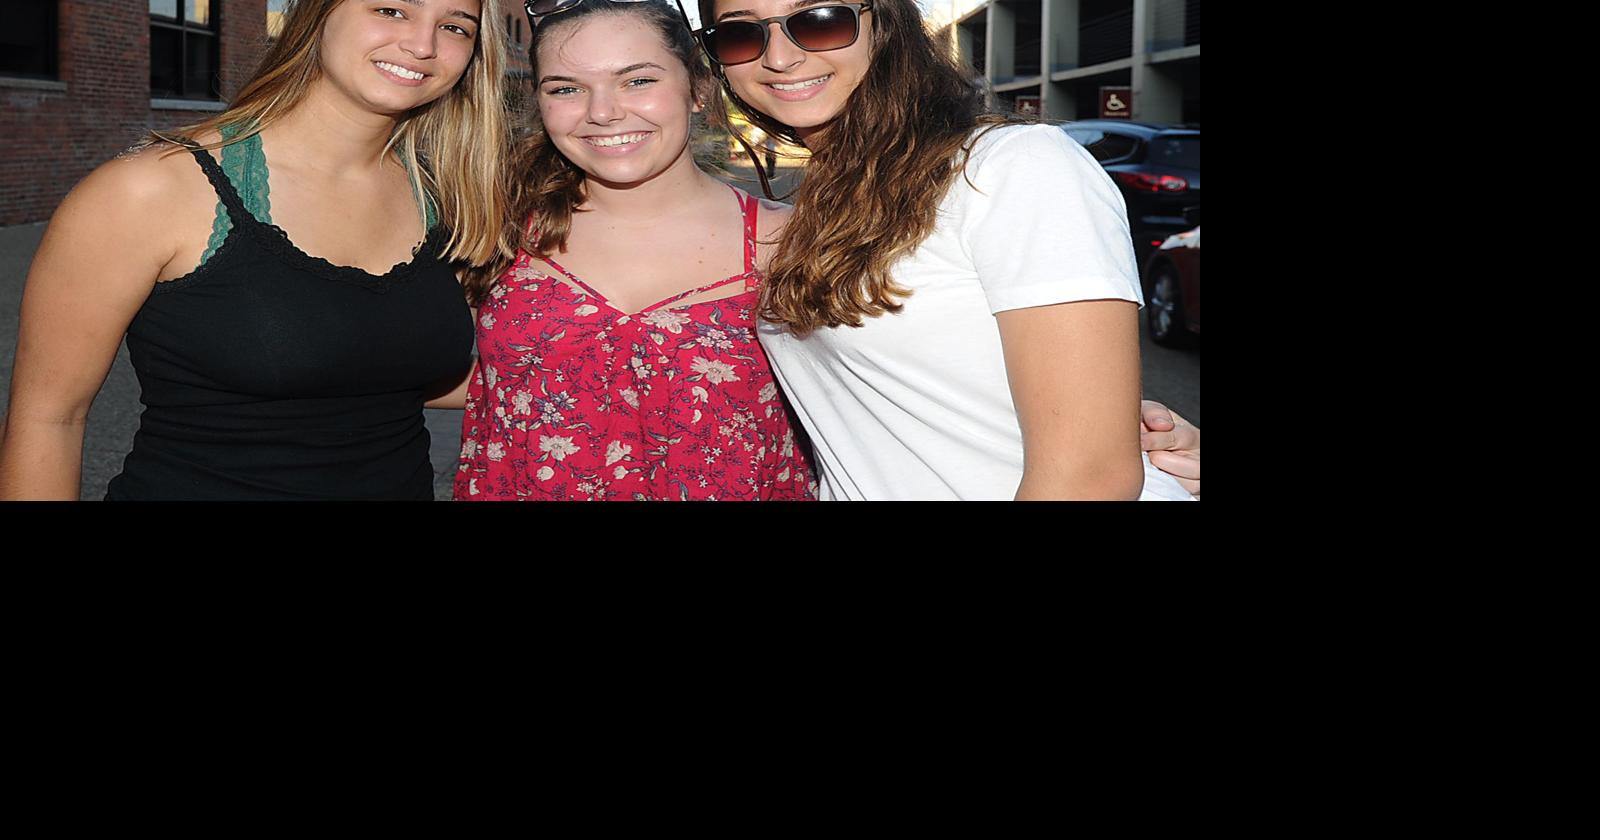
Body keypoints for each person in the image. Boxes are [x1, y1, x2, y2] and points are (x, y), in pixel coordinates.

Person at [0, 0, 511, 500]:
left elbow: (375, 366)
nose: (422, 44)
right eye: (391, 11)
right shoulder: (149, 190)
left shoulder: (449, 197)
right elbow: (49, 418)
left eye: (455, 27)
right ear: (318, 13)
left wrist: (551, 374)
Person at [697, 0, 1200, 500]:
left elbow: (1089, 478)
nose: (779, 57)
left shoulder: (1012, 165)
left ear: (885, 21)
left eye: (820, 20)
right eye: (740, 35)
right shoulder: (827, 197)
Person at [451, 0, 815, 500]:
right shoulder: (495, 230)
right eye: (566, 89)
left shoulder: (792, 243)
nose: (602, 112)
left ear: (698, 88)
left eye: (638, 80)